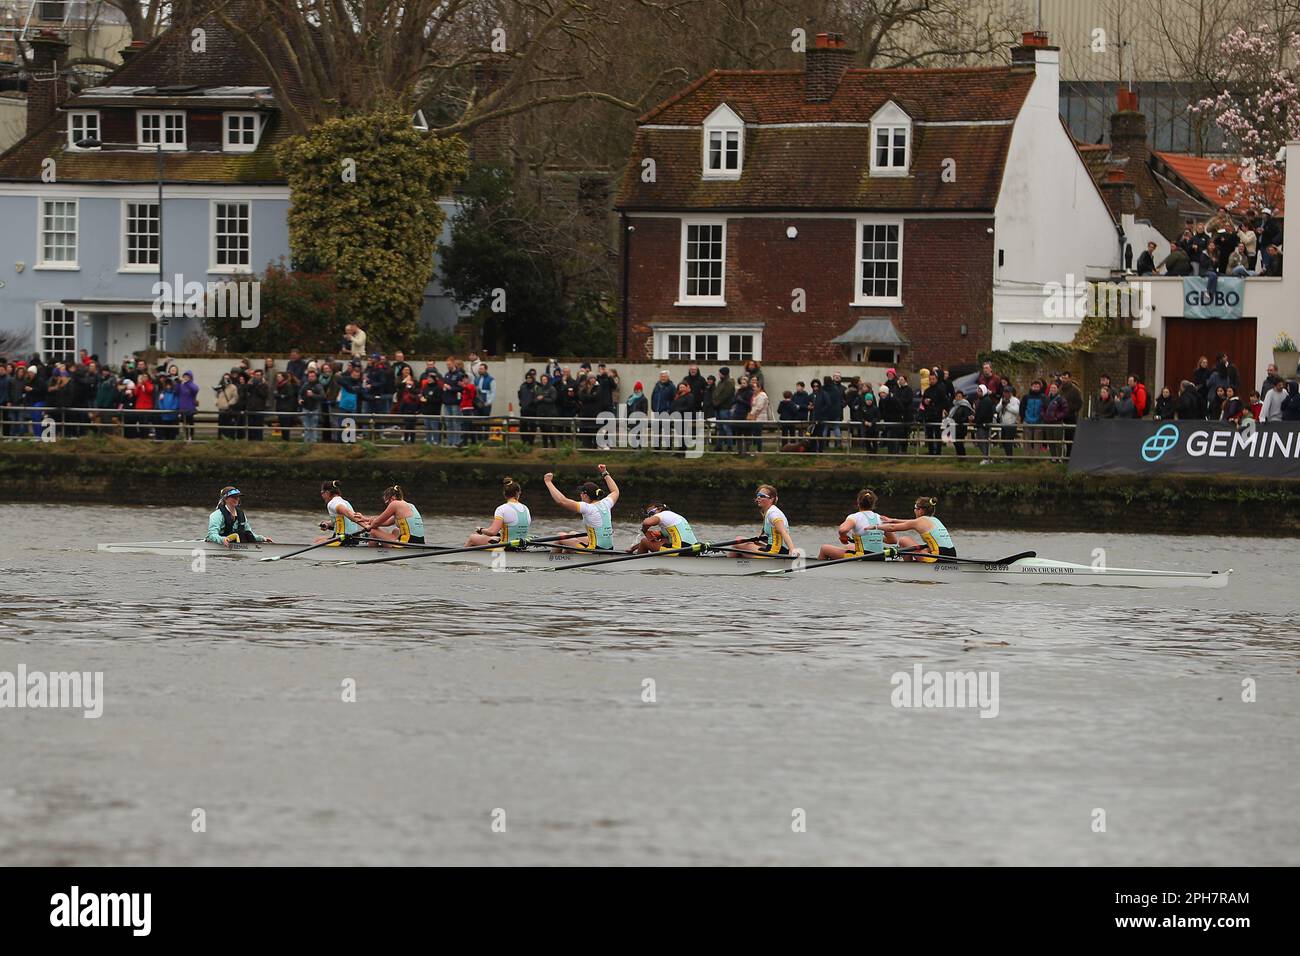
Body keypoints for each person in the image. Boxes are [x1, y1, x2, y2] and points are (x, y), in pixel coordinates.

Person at [543, 463, 619, 551]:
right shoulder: (606, 503)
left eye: (581, 493)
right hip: (608, 548)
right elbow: (615, 491)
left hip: (594, 549)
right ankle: (568, 558)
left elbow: (561, 501)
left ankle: (552, 562)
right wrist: (605, 473)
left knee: (560, 536)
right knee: (572, 533)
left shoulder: (588, 508)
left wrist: (548, 482)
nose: (580, 495)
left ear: (585, 495)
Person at [818, 489, 893, 560]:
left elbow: (842, 530)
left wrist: (843, 537)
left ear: (858, 502)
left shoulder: (854, 517)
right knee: (848, 546)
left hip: (862, 557)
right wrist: (876, 537)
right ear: (873, 504)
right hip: (879, 556)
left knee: (824, 548)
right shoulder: (881, 518)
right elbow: (893, 540)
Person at [878, 496, 956, 562]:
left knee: (903, 540)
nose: (914, 510)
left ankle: (909, 569)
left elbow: (892, 527)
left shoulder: (920, 521)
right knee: (926, 547)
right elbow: (910, 522)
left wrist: (875, 527)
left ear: (921, 510)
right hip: (952, 555)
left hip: (938, 558)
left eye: (915, 508)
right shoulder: (935, 520)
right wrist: (893, 520)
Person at [728, 484, 796, 557]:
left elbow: (784, 532)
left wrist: (792, 550)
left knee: (737, 542)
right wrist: (760, 540)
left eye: (762, 496)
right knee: (741, 541)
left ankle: (726, 565)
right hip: (775, 549)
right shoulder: (770, 511)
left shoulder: (773, 514)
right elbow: (775, 537)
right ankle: (734, 565)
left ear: (771, 499)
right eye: (758, 495)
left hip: (773, 552)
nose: (758, 498)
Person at [466, 477, 532, 548]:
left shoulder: (502, 509)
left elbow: (492, 532)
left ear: (504, 493)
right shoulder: (526, 509)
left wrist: (481, 530)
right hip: (521, 545)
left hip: (505, 547)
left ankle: (461, 557)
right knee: (493, 537)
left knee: (472, 538)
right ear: (518, 493)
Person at [206, 486, 273, 546]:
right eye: (233, 497)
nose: (237, 499)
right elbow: (212, 534)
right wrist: (222, 539)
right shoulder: (216, 515)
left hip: (236, 540)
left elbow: (249, 532)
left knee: (247, 534)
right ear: (225, 499)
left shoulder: (241, 514)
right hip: (221, 542)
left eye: (237, 496)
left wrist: (262, 538)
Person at [360, 485, 426, 545]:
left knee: (373, 531)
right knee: (396, 530)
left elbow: (376, 522)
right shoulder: (410, 505)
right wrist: (365, 519)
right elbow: (387, 522)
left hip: (408, 542)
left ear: (393, 497)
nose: (388, 505)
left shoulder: (395, 504)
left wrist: (369, 527)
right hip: (419, 541)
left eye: (387, 502)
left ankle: (371, 555)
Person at [632, 502, 699, 554]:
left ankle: (640, 565)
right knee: (663, 540)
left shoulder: (663, 514)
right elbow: (652, 540)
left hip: (679, 550)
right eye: (649, 515)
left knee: (644, 541)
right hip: (693, 550)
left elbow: (646, 523)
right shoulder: (676, 518)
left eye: (651, 513)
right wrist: (633, 548)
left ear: (659, 509)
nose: (650, 516)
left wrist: (645, 531)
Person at [315, 480, 364, 545]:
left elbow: (348, 513)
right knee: (318, 539)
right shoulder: (344, 501)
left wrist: (366, 526)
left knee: (318, 543)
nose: (322, 496)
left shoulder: (333, 503)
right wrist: (328, 524)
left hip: (345, 539)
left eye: (322, 493)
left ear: (327, 492)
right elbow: (343, 520)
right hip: (351, 538)